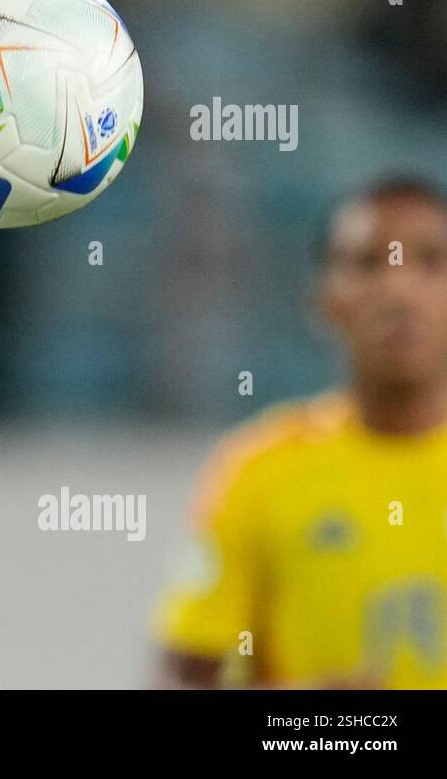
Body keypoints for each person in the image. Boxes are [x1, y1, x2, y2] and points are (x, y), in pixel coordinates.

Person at [155, 178, 447, 687]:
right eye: (368, 264)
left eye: (431, 261)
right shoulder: (261, 467)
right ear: (324, 300)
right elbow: (187, 672)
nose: (400, 290)